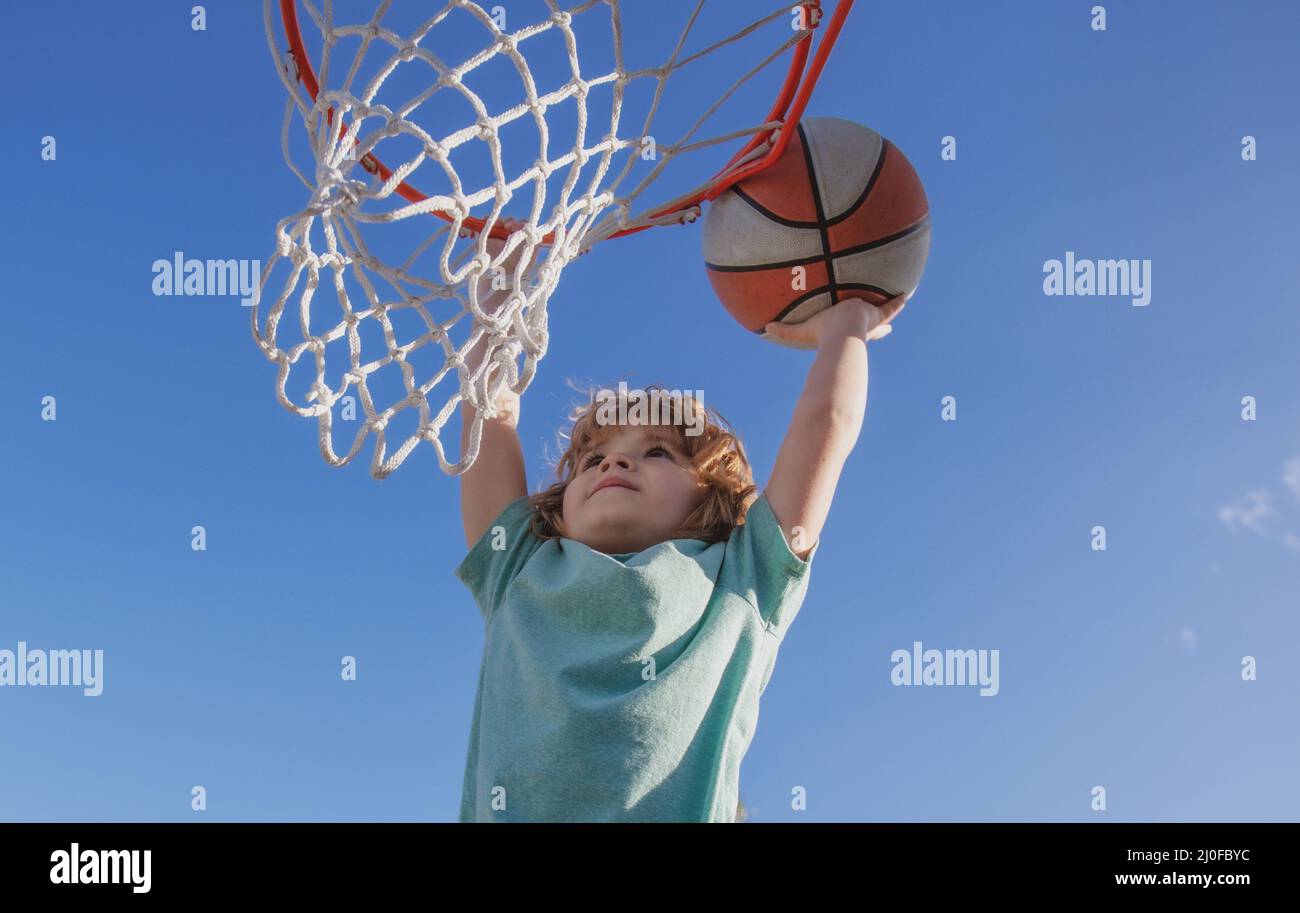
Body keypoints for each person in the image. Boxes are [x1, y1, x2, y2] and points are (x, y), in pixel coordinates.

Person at [454, 219, 905, 821]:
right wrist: (498, 298)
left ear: (708, 497)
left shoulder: (742, 577)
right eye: (592, 458)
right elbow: (491, 416)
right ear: (559, 504)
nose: (613, 458)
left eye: (657, 452)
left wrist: (845, 322)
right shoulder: (517, 566)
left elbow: (828, 426)